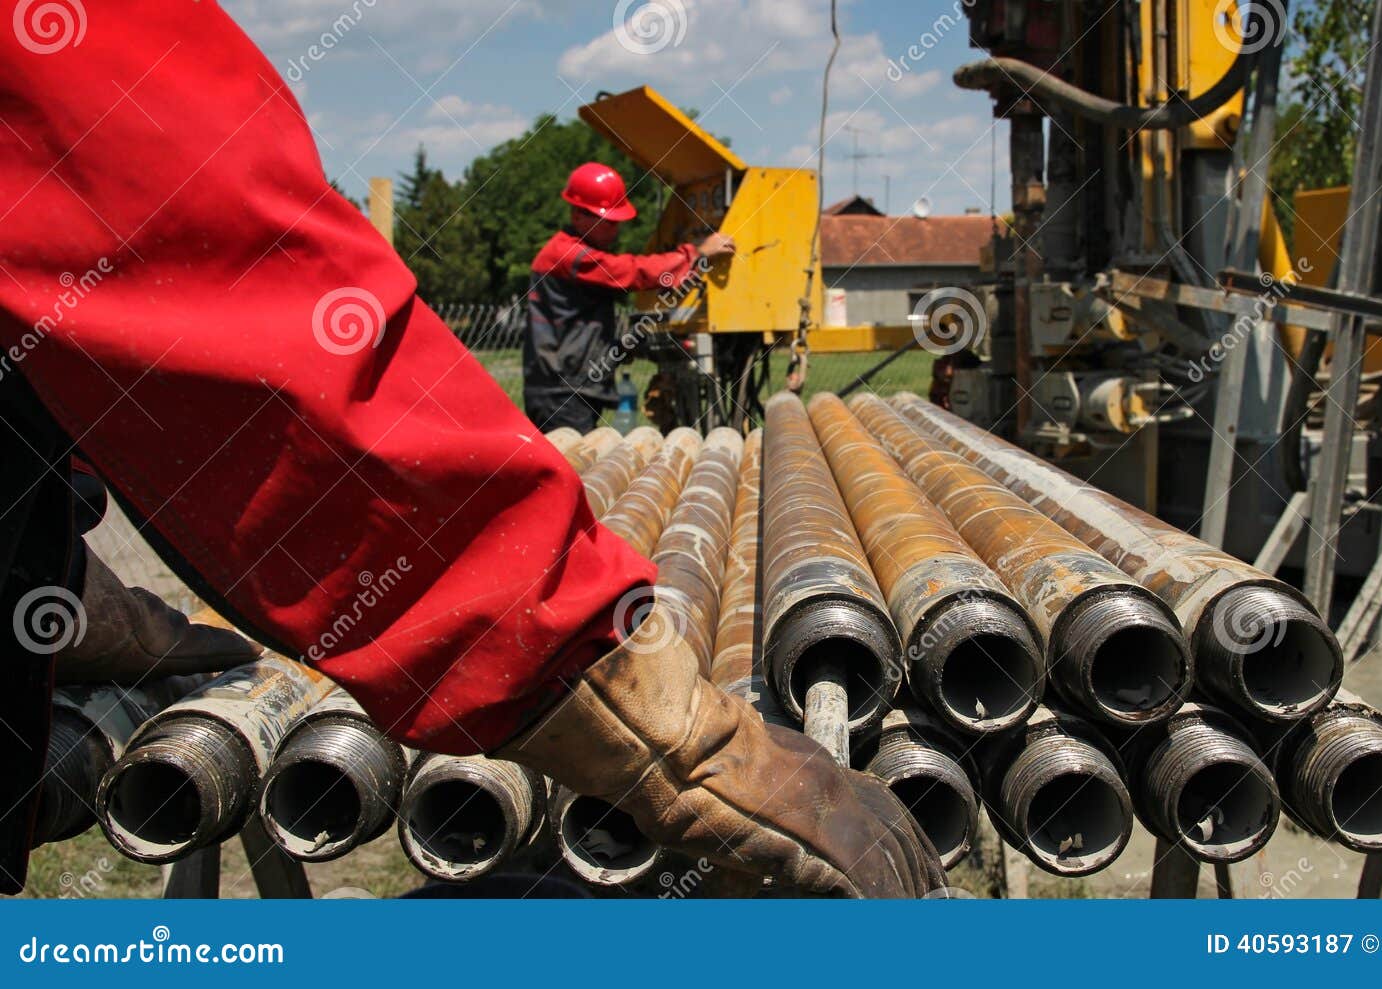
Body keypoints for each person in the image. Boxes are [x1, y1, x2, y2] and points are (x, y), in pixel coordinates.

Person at [0, 1, 942, 898]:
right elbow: (237, 299)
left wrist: (49, 562)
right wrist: (673, 731)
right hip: (562, 393)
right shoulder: (562, 253)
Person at [524, 163, 735, 431]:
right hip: (563, 393)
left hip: (566, 387)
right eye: (607, 222)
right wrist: (697, 254)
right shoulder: (570, 255)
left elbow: (578, 324)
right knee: (572, 468)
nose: (615, 231)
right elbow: (629, 272)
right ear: (578, 215)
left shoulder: (568, 252)